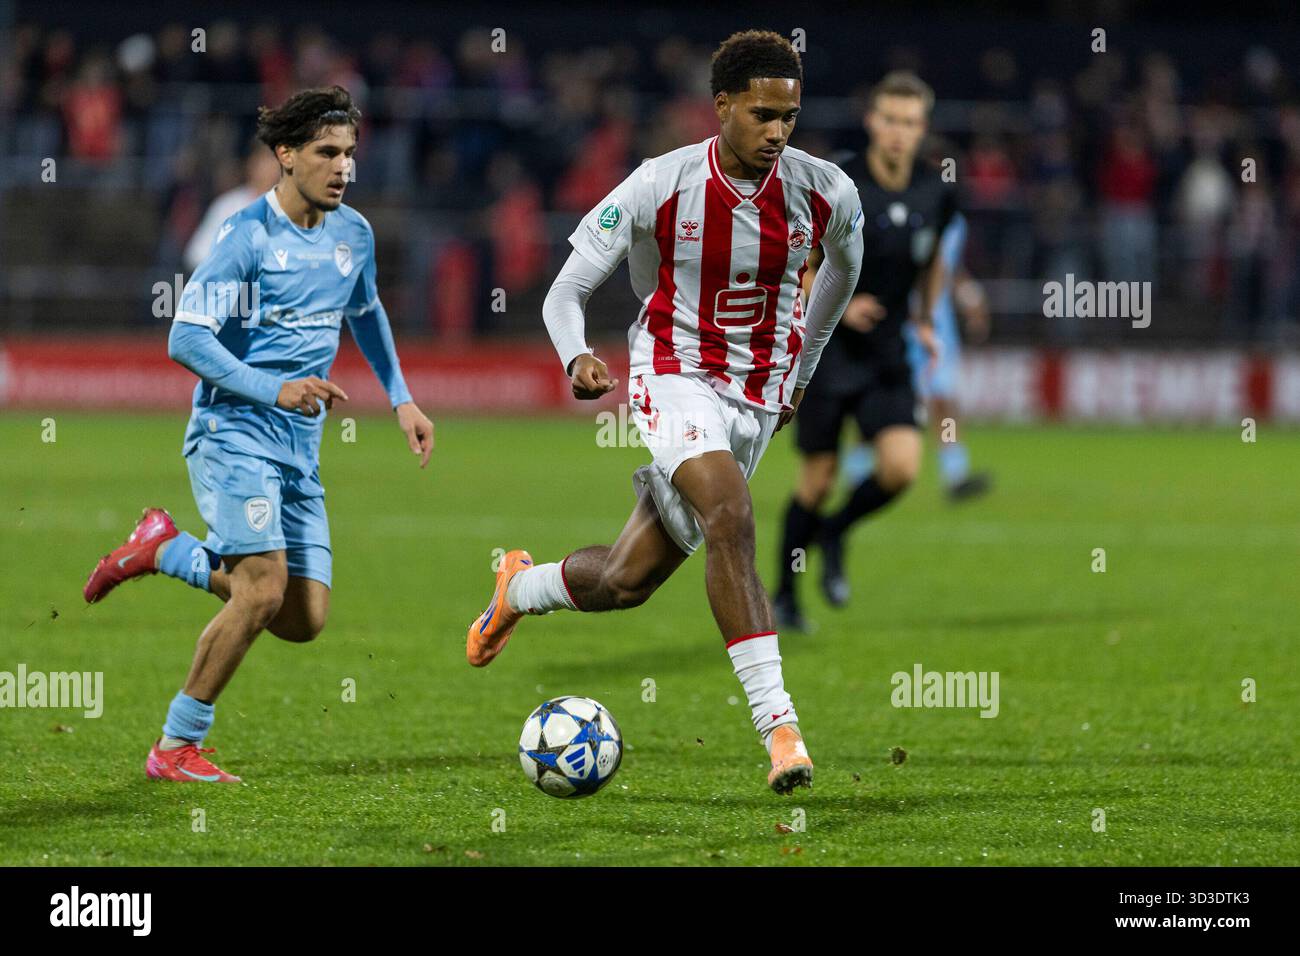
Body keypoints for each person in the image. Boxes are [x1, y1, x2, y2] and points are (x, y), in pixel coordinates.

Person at [465, 30, 863, 794]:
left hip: (758, 397)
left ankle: (519, 588)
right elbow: (565, 291)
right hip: (674, 372)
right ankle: (781, 730)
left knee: (625, 580)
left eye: (790, 116)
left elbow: (843, 274)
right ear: (721, 107)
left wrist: (802, 373)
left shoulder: (825, 192)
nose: (779, 132)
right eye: (762, 114)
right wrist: (575, 355)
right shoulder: (661, 184)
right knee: (733, 518)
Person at [83, 86, 434, 784]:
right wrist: (276, 388)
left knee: (304, 616)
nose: (342, 168)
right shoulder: (245, 239)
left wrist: (402, 398)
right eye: (326, 153)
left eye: (349, 155)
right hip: (233, 432)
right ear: (285, 155)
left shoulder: (352, 234)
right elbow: (185, 336)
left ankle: (165, 550)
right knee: (264, 589)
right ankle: (176, 745)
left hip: (299, 447)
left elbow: (365, 311)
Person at [774, 71, 954, 632]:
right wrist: (838, 302)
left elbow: (934, 259)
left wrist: (925, 319)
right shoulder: (838, 182)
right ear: (873, 121)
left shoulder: (936, 191)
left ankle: (835, 531)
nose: (900, 132)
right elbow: (795, 261)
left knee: (901, 469)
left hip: (887, 354)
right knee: (817, 481)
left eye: (911, 122)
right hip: (829, 350)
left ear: (922, 128)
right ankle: (785, 592)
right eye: (891, 119)